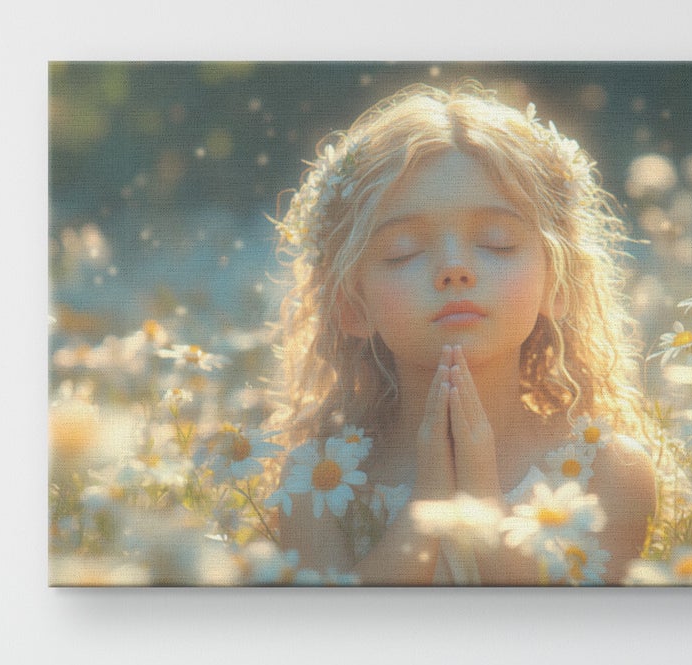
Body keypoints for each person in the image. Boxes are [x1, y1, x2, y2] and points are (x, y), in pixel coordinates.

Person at [266, 82, 656, 585]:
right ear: (350, 306)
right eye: (403, 251)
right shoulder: (315, 481)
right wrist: (425, 508)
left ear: (558, 283)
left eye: (497, 242)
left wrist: (479, 502)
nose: (454, 269)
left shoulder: (609, 471)